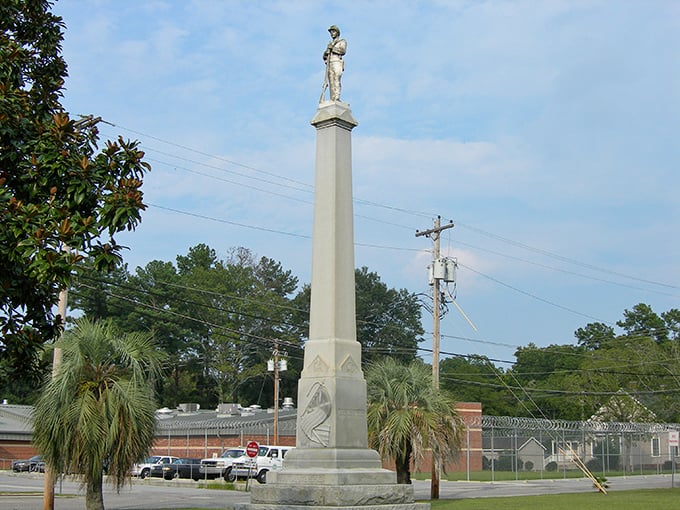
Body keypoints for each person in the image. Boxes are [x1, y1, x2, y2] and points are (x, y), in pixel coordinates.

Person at [322, 25, 346, 102]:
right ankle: (332, 98)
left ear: (337, 32)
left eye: (333, 31)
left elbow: (342, 51)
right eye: (331, 32)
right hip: (330, 63)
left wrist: (332, 48)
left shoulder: (342, 41)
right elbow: (324, 55)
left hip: (337, 61)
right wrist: (326, 52)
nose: (332, 33)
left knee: (336, 79)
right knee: (331, 81)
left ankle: (337, 97)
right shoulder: (330, 44)